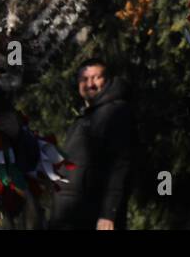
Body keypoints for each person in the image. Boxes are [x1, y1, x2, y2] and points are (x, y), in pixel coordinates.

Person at [50, 59, 134, 230]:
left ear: (108, 80)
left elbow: (120, 166)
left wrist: (108, 214)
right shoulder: (84, 118)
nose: (90, 84)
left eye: (96, 77)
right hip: (69, 215)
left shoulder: (116, 113)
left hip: (93, 216)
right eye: (84, 79)